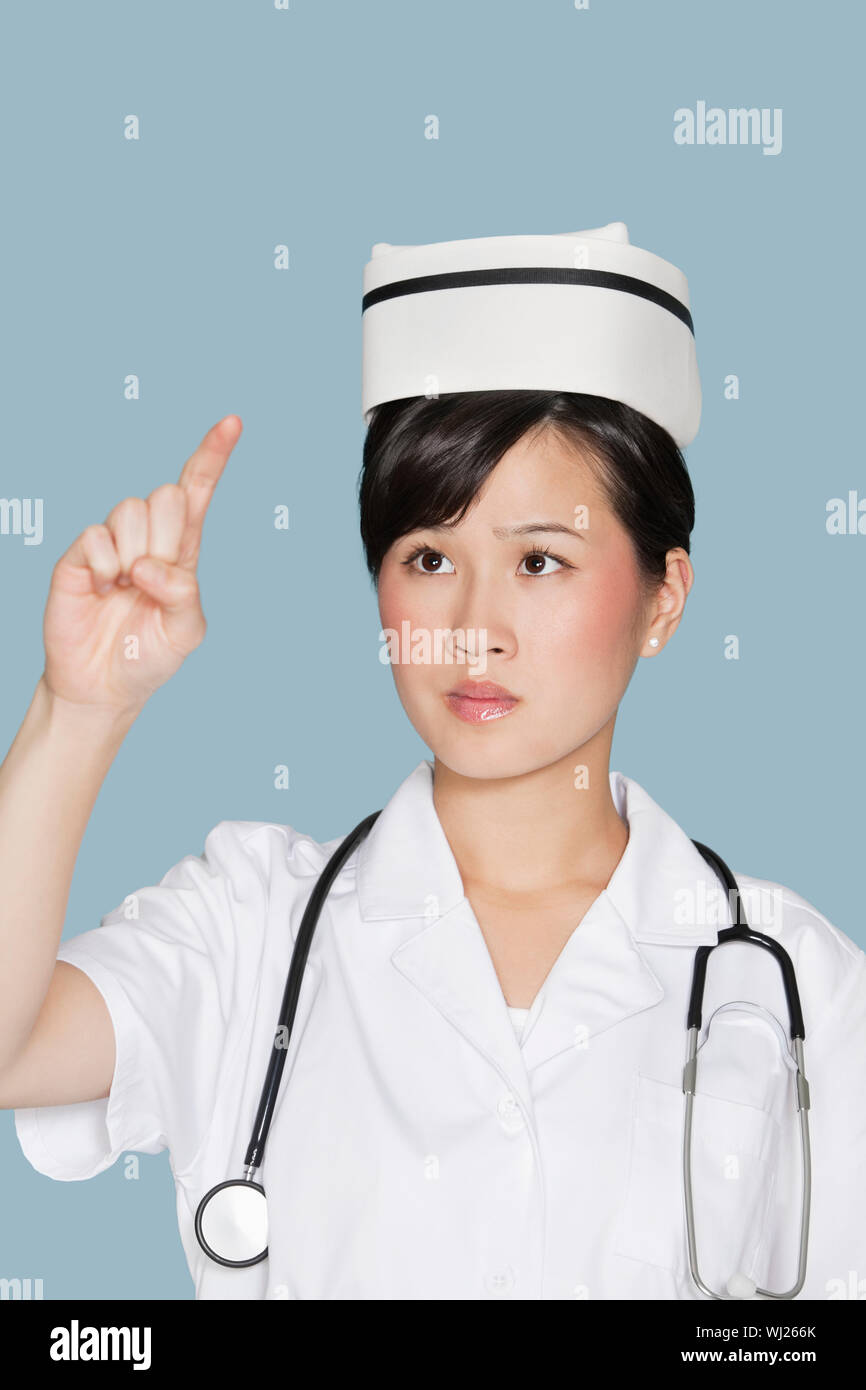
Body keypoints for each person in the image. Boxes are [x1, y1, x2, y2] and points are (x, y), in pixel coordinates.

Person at [1, 225, 865, 1302]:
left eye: (539, 559)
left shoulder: (794, 986)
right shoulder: (248, 923)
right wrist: (77, 709)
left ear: (663, 597)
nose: (472, 625)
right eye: (427, 557)